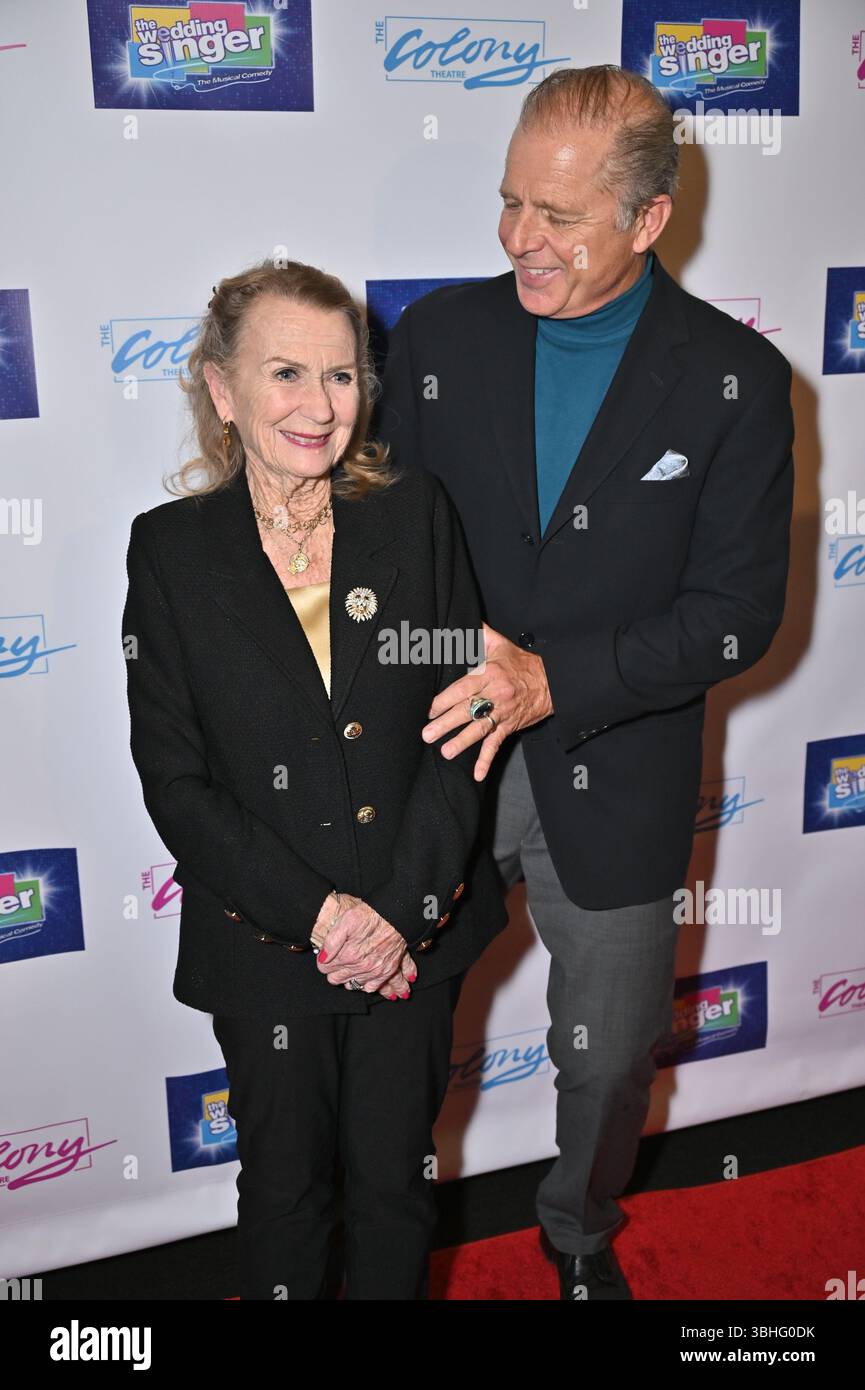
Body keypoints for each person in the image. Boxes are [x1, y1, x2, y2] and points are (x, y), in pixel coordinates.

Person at [377, 65, 794, 1300]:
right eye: (510, 201)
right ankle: (386, 1241)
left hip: (616, 773)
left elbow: (738, 617)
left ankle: (575, 1229)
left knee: (608, 1061)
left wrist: (554, 683)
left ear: (649, 219)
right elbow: (387, 550)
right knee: (396, 1035)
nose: (518, 239)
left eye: (557, 218)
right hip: (436, 752)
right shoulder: (442, 335)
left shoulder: (735, 379)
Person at [121, 258, 507, 1300]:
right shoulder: (168, 552)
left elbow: (463, 728)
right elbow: (176, 779)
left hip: (410, 929)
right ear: (220, 387)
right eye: (285, 371)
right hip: (264, 938)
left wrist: (391, 913)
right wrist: (325, 917)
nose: (318, 405)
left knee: (394, 1188)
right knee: (285, 1193)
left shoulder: (415, 514)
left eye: (342, 376)